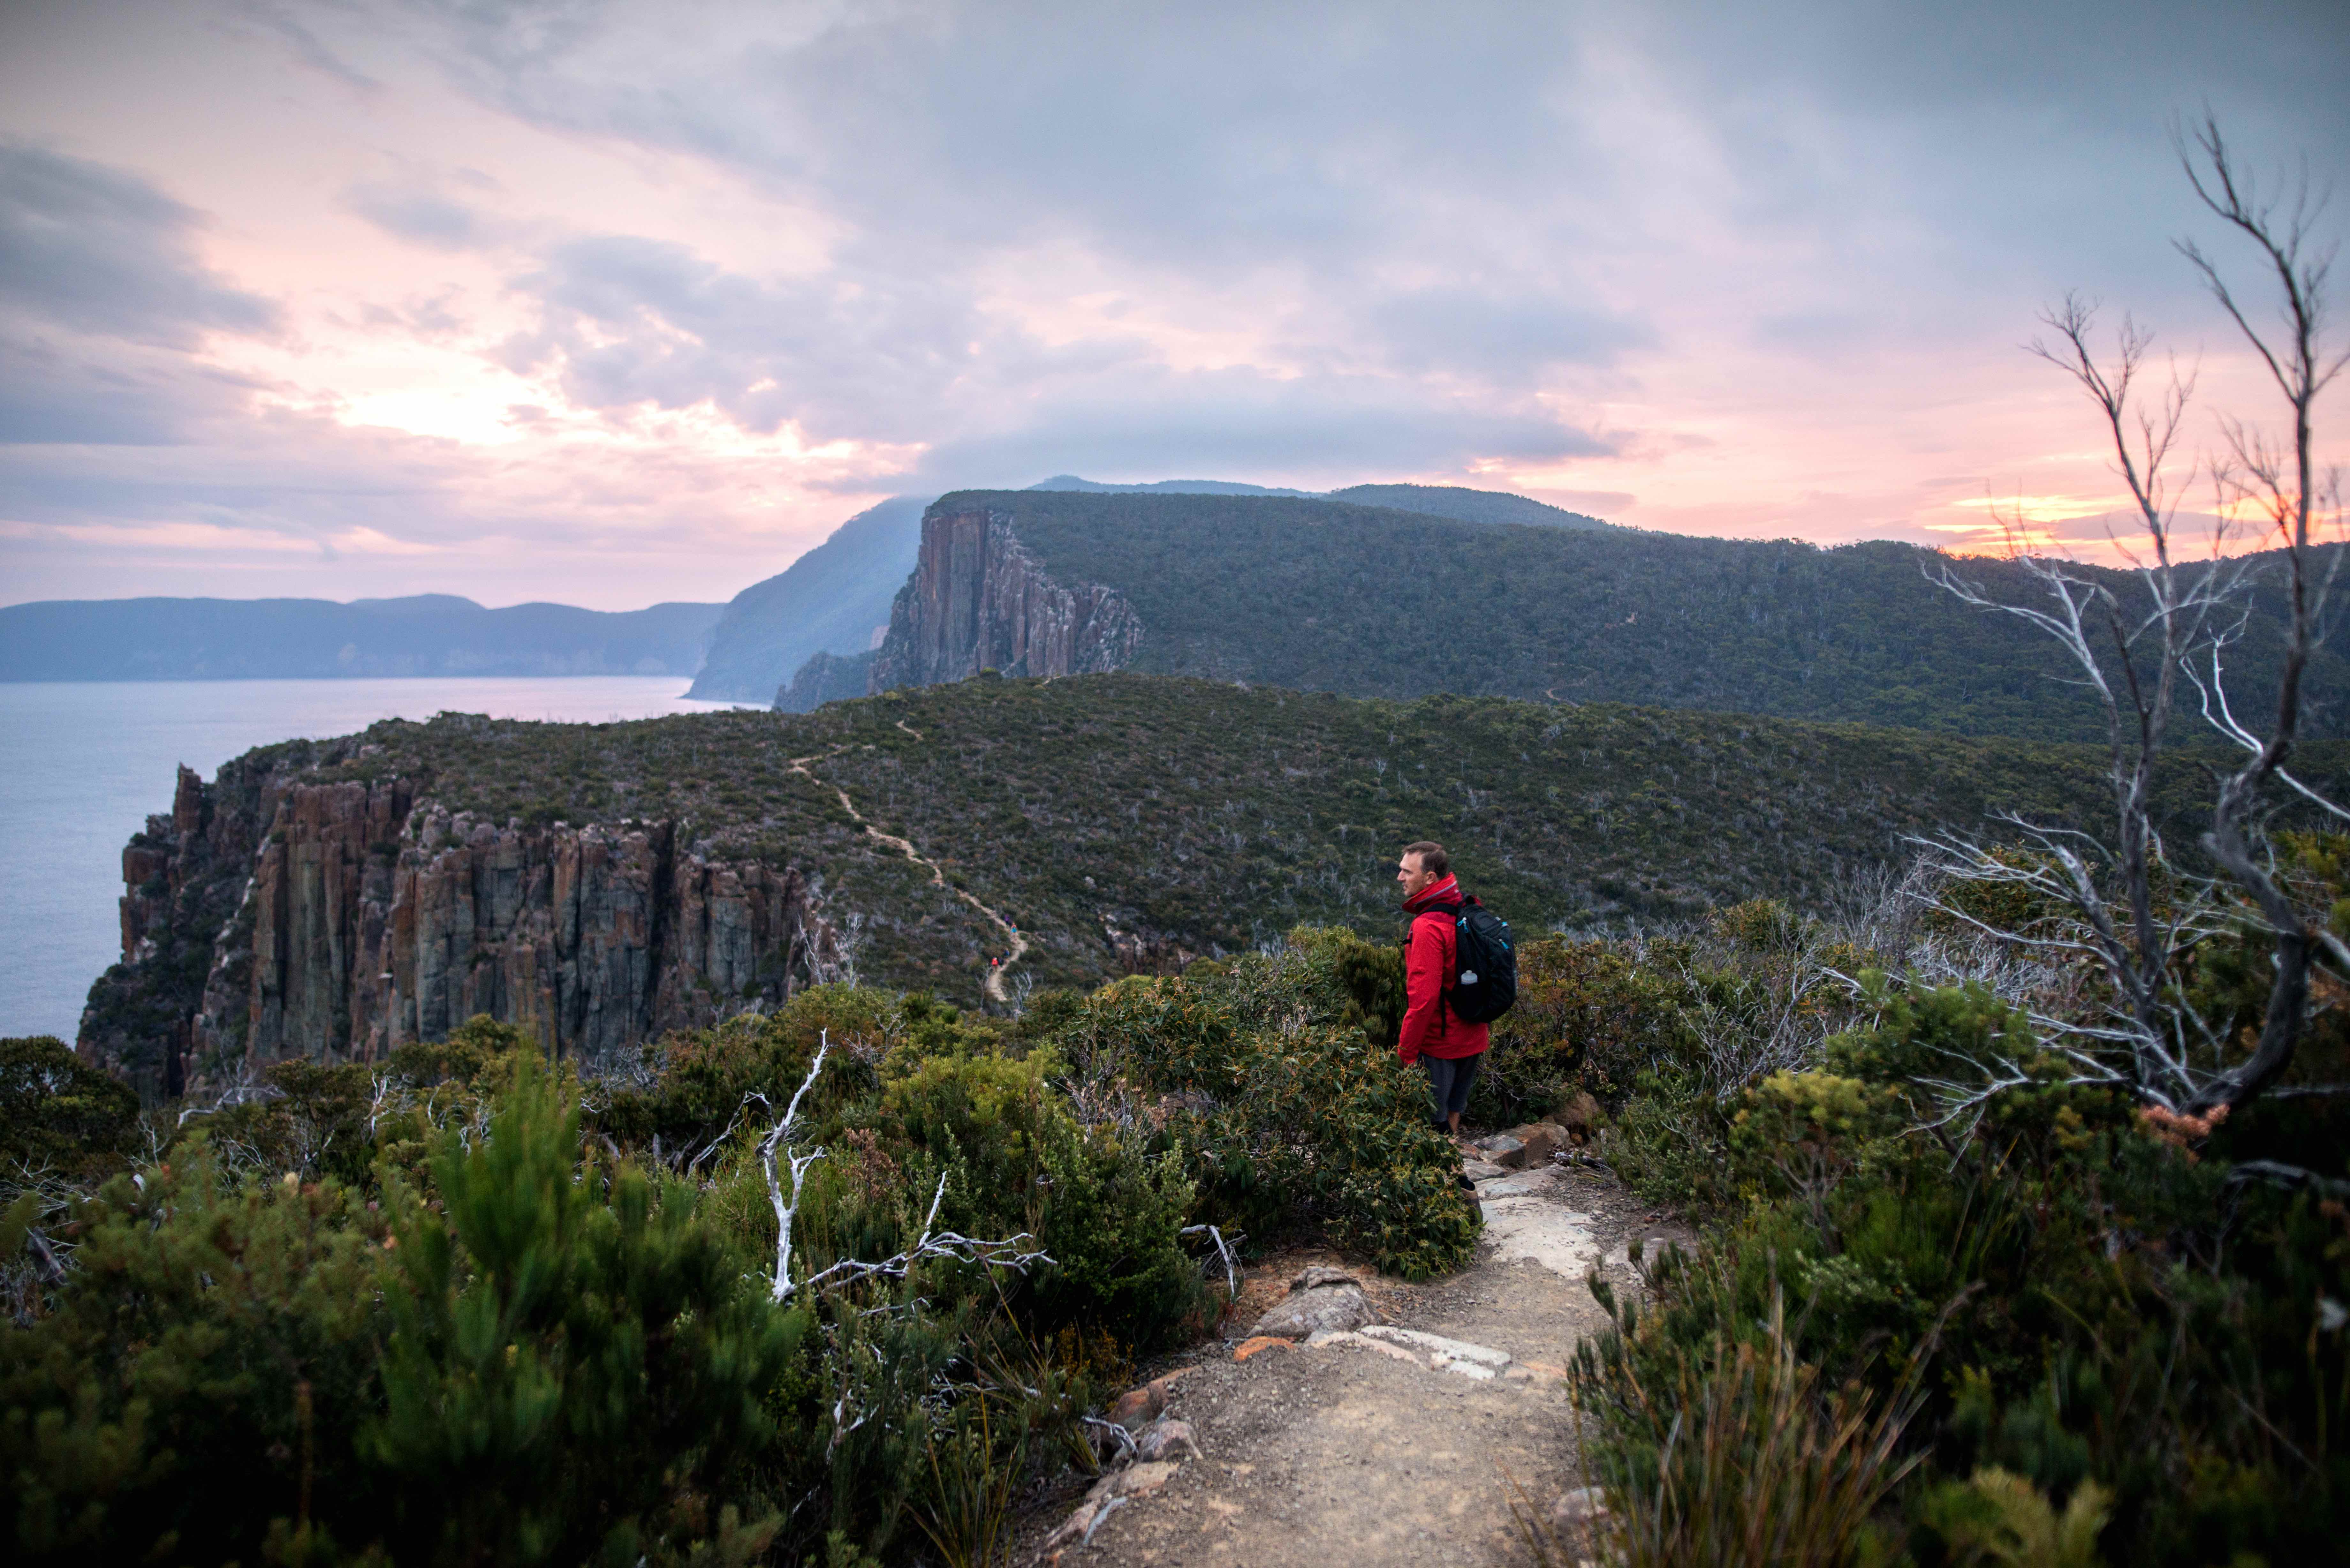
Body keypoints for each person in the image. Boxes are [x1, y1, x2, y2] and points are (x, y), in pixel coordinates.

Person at [1394, 840, 1488, 1137]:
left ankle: (1447, 1166)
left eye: (1407, 872)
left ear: (1430, 878)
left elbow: (1423, 1000)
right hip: (1474, 1035)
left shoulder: (1428, 926)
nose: (1400, 877)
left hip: (1440, 1044)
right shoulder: (1468, 908)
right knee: (1453, 1113)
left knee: (1432, 1127)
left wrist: (1406, 1054)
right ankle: (1455, 1162)